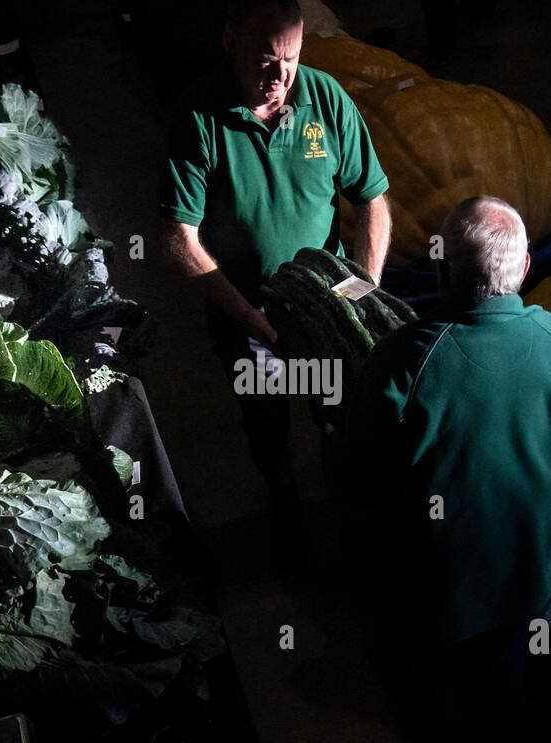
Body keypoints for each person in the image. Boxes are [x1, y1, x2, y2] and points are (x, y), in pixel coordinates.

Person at [341, 195, 551, 743]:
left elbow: (360, 484)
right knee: (503, 695)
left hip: (434, 602)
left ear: (440, 269)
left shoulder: (404, 360)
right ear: (525, 269)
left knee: (440, 710)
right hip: (528, 580)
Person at [159, 0, 392, 521]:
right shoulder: (199, 116)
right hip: (248, 316)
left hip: (327, 305)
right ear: (229, 42)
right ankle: (284, 504)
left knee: (339, 414)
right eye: (265, 60)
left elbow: (372, 200)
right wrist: (250, 319)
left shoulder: (325, 99)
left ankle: (347, 508)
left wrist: (363, 291)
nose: (280, 77)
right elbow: (179, 237)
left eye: (291, 59)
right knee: (266, 423)